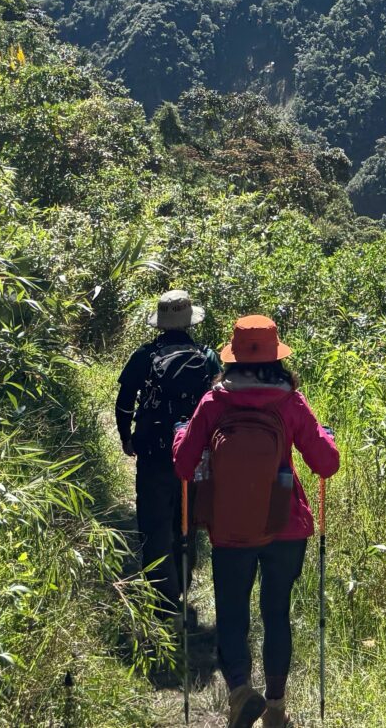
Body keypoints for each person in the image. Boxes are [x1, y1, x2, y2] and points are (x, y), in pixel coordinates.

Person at [174, 314, 339, 728]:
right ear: (276, 355)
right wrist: (328, 437)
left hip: (230, 526)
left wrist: (181, 432)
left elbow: (183, 462)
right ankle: (277, 708)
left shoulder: (215, 401)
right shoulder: (290, 401)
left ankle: (239, 692)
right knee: (276, 612)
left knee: (232, 613)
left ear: (232, 356)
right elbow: (326, 463)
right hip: (285, 523)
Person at [116, 289, 220, 620]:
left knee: (154, 522)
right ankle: (182, 585)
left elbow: (124, 402)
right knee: (186, 521)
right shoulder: (207, 356)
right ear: (190, 320)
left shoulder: (144, 356)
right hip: (195, 454)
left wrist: (126, 437)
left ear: (160, 324)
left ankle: (162, 601)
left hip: (154, 453)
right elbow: (219, 403)